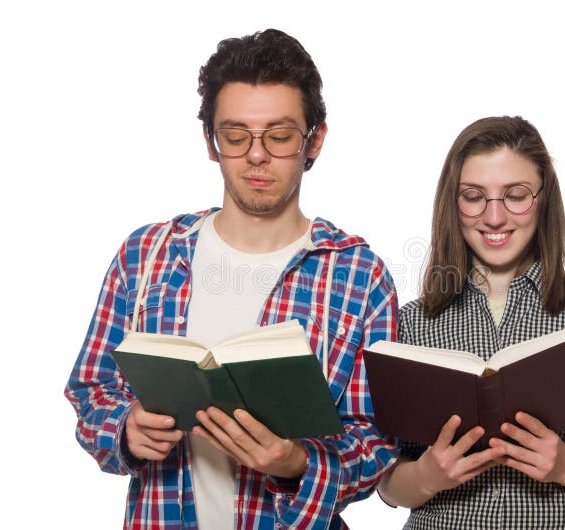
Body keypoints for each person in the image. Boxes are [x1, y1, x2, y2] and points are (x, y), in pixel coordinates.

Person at [64, 29, 399, 530]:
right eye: (236, 136)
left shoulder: (359, 275)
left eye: (280, 137)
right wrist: (125, 429)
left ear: (316, 140)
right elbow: (92, 390)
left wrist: (296, 463)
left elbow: (377, 442)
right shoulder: (145, 255)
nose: (256, 155)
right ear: (209, 142)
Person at [377, 116, 565, 529]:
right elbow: (383, 478)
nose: (494, 217)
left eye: (515, 195)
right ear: (452, 203)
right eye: (474, 196)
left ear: (542, 199)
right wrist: (425, 476)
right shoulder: (410, 324)